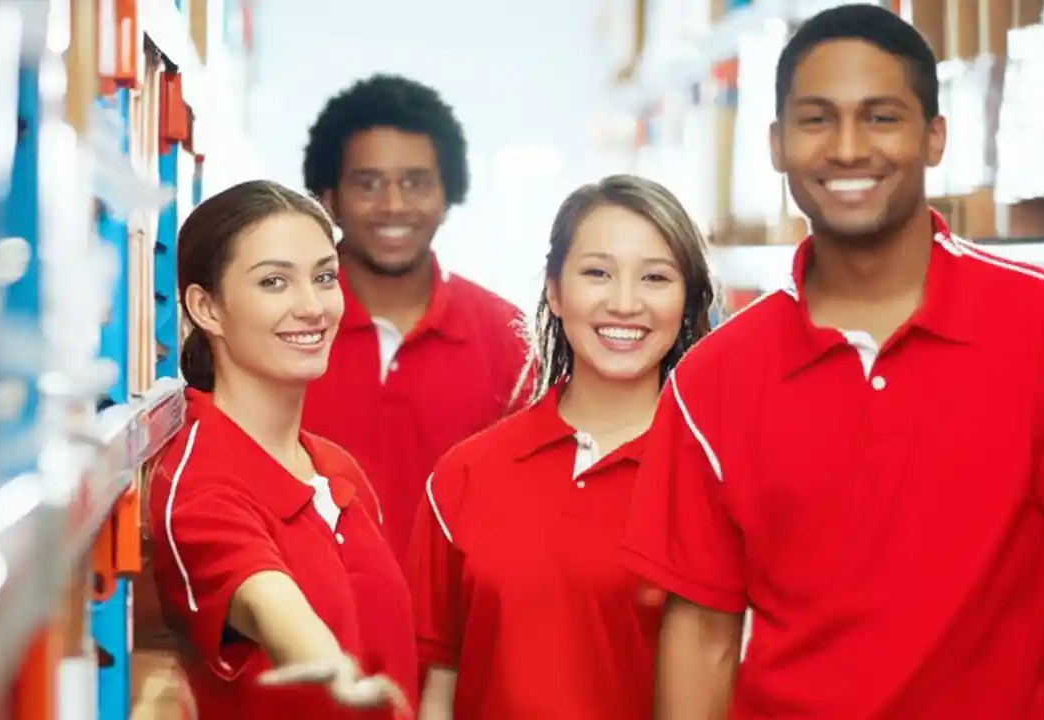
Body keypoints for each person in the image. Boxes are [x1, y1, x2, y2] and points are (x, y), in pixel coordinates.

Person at [622, 5, 1044, 719]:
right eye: (817, 120)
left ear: (935, 137)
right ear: (776, 144)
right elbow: (702, 638)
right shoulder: (712, 379)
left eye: (881, 118)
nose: (847, 148)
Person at [407, 175, 715, 719]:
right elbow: (439, 686)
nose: (624, 303)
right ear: (554, 289)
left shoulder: (714, 482)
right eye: (597, 272)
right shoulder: (465, 475)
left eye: (655, 278)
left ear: (688, 303)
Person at [145, 179, 417, 719]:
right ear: (207, 308)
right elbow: (266, 598)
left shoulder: (336, 469)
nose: (312, 306)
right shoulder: (196, 480)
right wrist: (327, 664)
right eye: (274, 282)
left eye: (323, 277)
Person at [300, 74, 531, 559]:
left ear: (447, 195)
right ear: (328, 197)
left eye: (416, 183)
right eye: (368, 183)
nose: (394, 206)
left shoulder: (507, 337)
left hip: (458, 631)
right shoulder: (280, 324)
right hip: (298, 628)